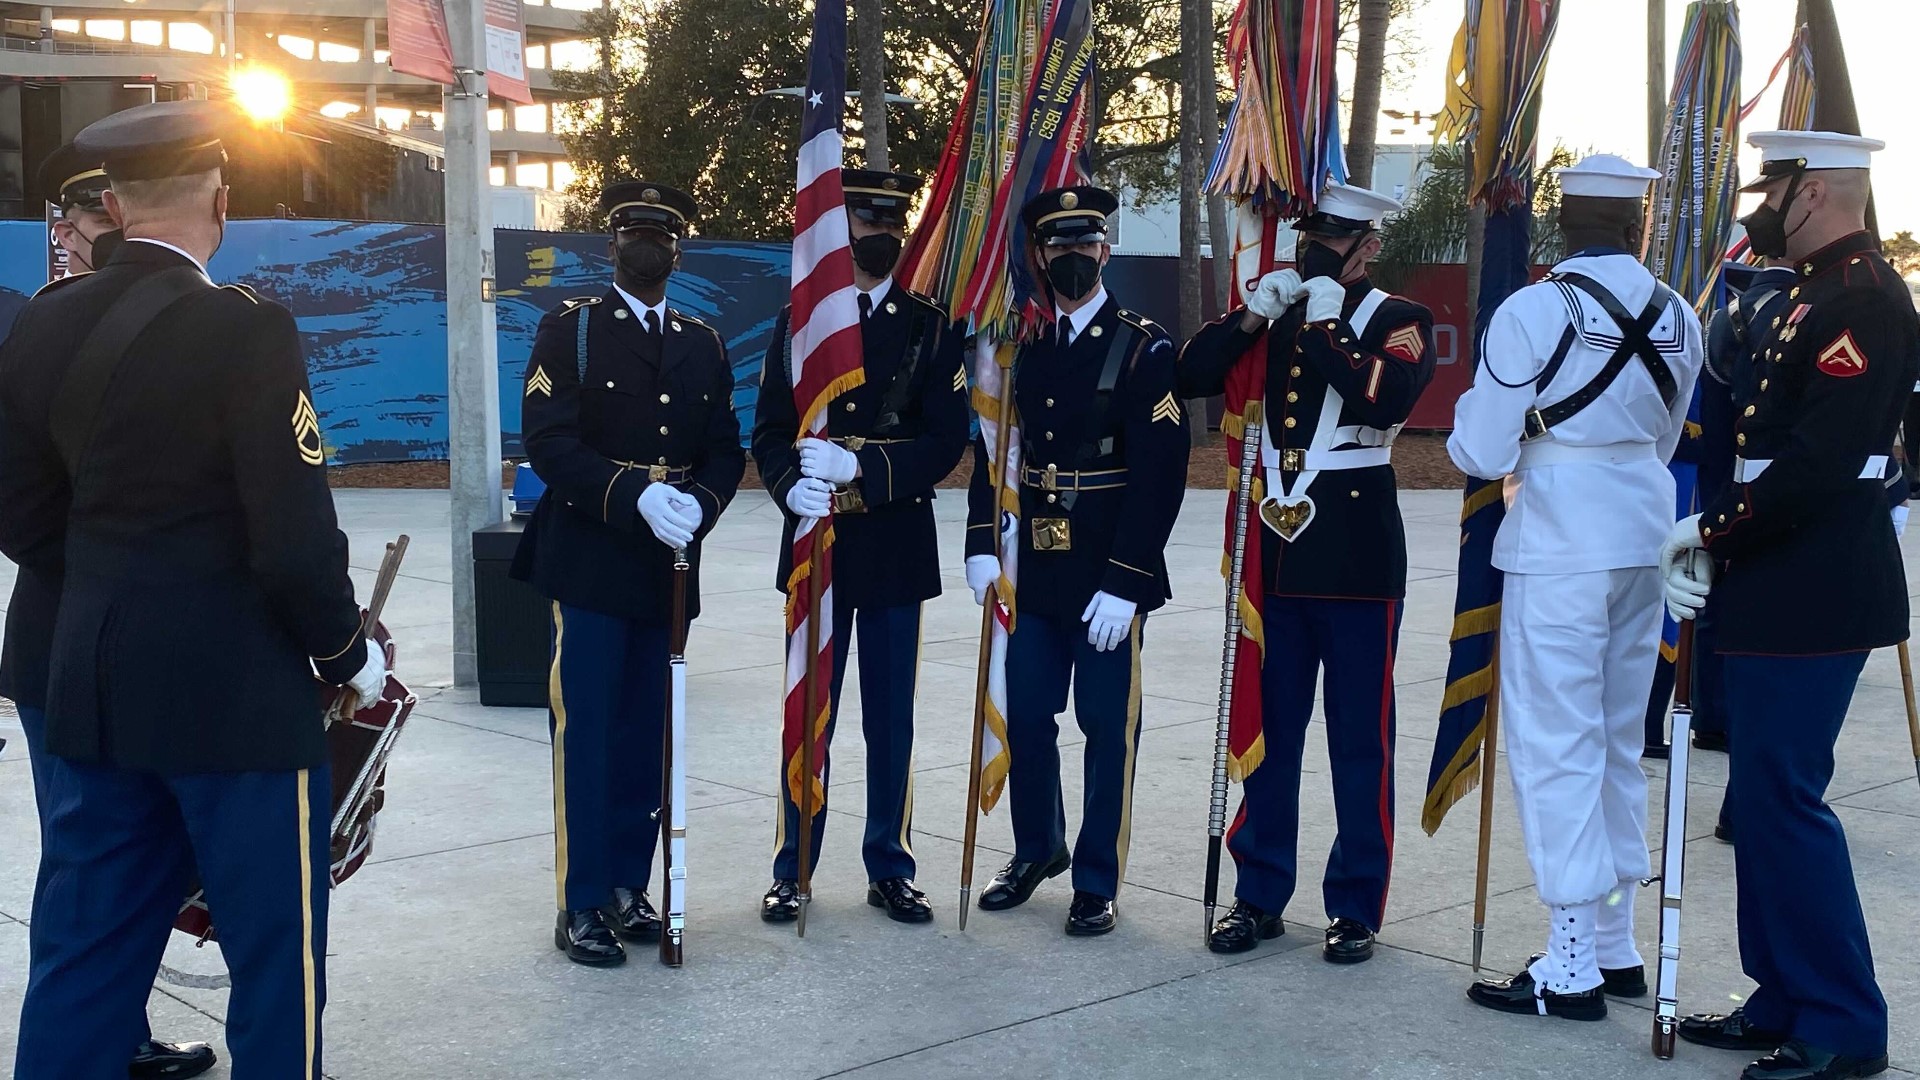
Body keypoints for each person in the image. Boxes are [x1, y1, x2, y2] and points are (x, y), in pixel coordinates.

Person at [1, 100, 386, 1079]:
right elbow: (293, 541)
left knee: (85, 957)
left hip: (87, 687)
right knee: (273, 962)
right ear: (220, 201)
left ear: (120, 208)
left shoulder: (41, 327)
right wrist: (351, 655)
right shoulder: (245, 329)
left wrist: (110, 583)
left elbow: (19, 517)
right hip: (237, 707)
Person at [1663, 130, 1910, 1080]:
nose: (1759, 198)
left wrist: (1709, 528)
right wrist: (1724, 543)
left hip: (1816, 579)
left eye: (1774, 181)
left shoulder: (1863, 301)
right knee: (1759, 801)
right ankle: (1783, 993)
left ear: (1816, 192)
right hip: (1772, 573)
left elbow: (1820, 463)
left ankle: (1845, 1020)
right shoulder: (1802, 291)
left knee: (1784, 798)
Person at [1446, 154, 1704, 1021]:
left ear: (1562, 226)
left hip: (1559, 535)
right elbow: (1668, 436)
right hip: (1643, 529)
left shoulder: (1531, 308)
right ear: (1635, 227)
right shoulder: (1678, 312)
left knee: (1555, 742)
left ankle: (1568, 967)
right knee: (1614, 738)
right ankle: (1613, 942)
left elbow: (1480, 453)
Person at [0, 141, 218, 1080]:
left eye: (117, 217)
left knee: (133, 865)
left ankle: (116, 1033)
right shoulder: (37, 325)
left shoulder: (194, 321)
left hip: (127, 640)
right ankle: (94, 1041)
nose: (109, 234)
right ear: (70, 228)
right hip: (63, 635)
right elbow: (20, 507)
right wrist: (111, 579)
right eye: (94, 221)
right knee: (86, 866)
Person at [1178, 183, 1437, 963]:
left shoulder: (1398, 319)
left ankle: (1356, 902)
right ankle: (1258, 893)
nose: (1314, 248)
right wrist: (1256, 314)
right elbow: (1191, 376)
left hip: (1356, 552)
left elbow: (1386, 398)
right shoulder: (1278, 309)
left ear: (1369, 247)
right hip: (1277, 556)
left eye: (1333, 239)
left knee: (1360, 739)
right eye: (1309, 235)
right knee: (1272, 729)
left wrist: (1325, 323)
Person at [511, 180, 746, 966]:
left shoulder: (702, 341)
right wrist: (633, 496)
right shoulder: (570, 331)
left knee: (648, 733)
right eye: (633, 232)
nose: (648, 246)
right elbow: (547, 439)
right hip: (589, 555)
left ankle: (624, 887)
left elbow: (724, 447)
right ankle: (579, 901)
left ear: (678, 251)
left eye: (662, 234)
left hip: (667, 563)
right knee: (587, 734)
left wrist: (698, 506)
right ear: (612, 246)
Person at [964, 185, 1189, 936]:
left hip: (1104, 568)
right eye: (1057, 247)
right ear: (1039, 255)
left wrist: (1127, 583)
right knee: (1027, 714)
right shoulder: (1019, 344)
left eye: (1084, 244)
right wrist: (976, 543)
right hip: (1034, 566)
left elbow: (1161, 474)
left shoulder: (1143, 344)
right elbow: (993, 452)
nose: (1072, 258)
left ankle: (1097, 878)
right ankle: (1038, 848)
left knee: (1103, 725)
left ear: (1106, 248)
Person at [751, 169, 968, 925]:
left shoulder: (930, 326)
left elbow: (948, 440)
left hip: (893, 545)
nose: (876, 238)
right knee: (807, 711)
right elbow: (770, 430)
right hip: (818, 545)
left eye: (888, 227)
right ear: (836, 235)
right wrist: (789, 487)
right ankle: (793, 866)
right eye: (861, 225)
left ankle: (891, 863)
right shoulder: (800, 321)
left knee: (890, 720)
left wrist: (865, 469)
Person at [42, 141, 125, 275]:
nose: (127, 234)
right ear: (67, 236)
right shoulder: (55, 296)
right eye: (109, 222)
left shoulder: (161, 293)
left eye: (132, 222)